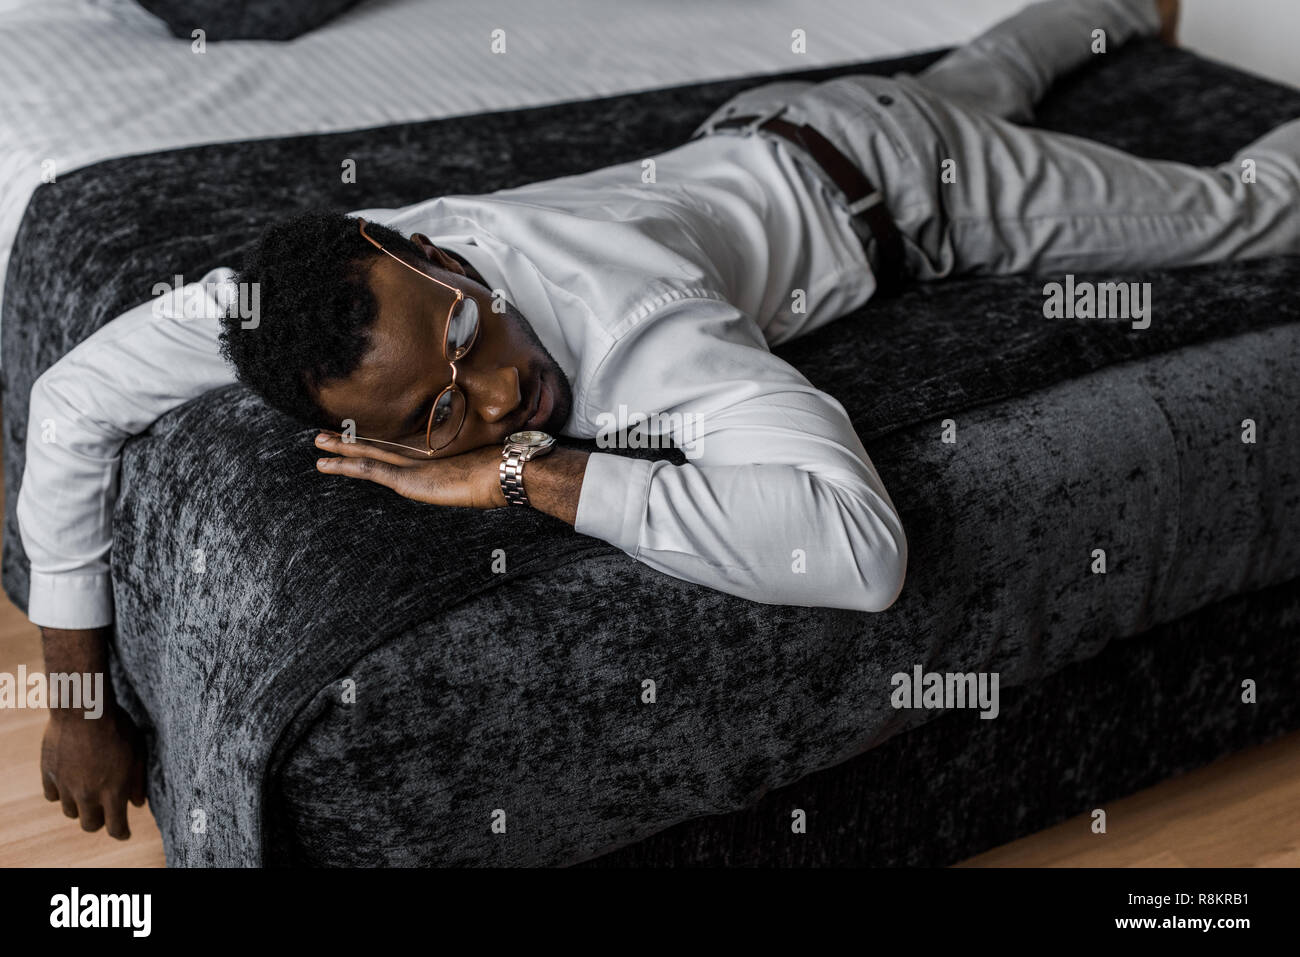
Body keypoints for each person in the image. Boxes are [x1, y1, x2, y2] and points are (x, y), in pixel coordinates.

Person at [21, 0, 1296, 839]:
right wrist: (75, 700)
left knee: (1241, 212)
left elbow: (859, 552)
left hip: (924, 194)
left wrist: (533, 475)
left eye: (471, 337)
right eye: (429, 419)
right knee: (986, 73)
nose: (498, 393)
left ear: (427, 254)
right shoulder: (296, 297)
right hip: (781, 129)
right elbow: (77, 397)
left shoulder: (640, 326)